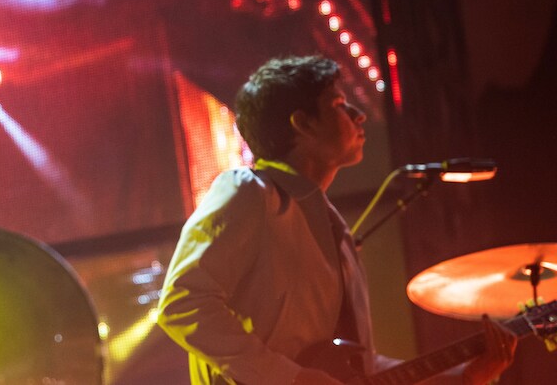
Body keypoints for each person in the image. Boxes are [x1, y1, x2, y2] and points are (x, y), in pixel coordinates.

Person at [156, 55, 516, 384]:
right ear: (303, 123)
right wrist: (290, 378)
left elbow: (363, 371)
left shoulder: (337, 235)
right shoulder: (249, 192)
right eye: (339, 104)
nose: (359, 115)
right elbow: (183, 303)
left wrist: (466, 377)